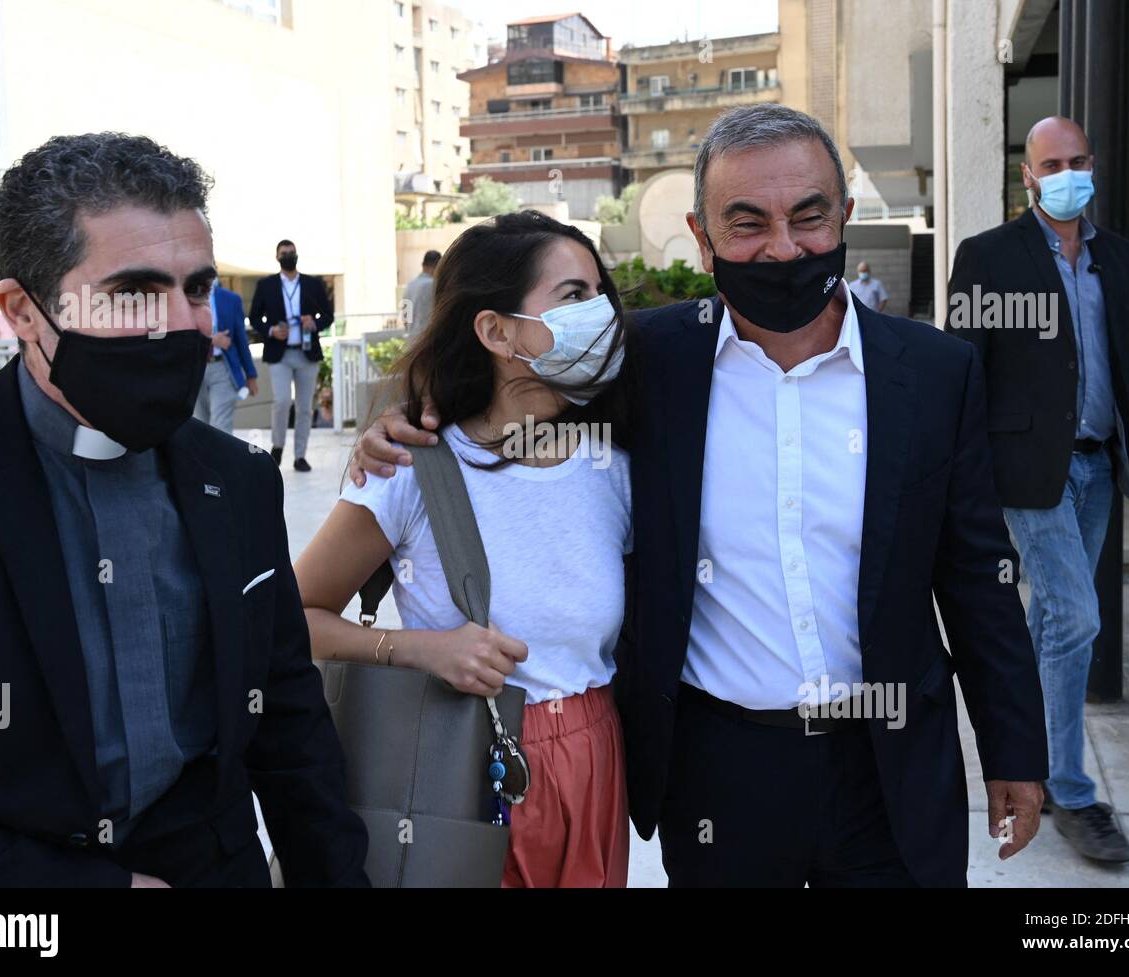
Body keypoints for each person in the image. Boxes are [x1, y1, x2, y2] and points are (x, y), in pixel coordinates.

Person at [352, 104, 1049, 887]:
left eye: (810, 216)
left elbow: (978, 581)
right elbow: (509, 388)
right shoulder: (648, 359)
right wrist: (409, 418)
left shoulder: (934, 372)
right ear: (703, 236)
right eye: (747, 223)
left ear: (846, 215)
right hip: (719, 772)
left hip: (890, 760)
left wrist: (1014, 750)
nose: (783, 247)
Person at [0, 132, 368, 887]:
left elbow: (288, 724)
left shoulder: (239, 479)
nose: (187, 326)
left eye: (196, 289)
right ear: (24, 310)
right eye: (135, 293)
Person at [297, 210, 635, 888]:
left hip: (596, 757)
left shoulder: (616, 465)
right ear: (494, 330)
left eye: (601, 294)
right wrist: (420, 649)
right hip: (468, 759)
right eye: (572, 297)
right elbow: (290, 614)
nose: (598, 313)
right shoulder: (411, 468)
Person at [947, 116, 1129, 864]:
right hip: (1028, 474)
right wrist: (954, 476)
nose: (1067, 172)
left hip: (1098, 464)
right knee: (1077, 616)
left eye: (1078, 159)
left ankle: (1020, 752)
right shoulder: (988, 256)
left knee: (1053, 628)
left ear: (1093, 164)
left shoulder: (1117, 258)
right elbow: (963, 368)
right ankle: (1070, 787)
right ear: (1027, 175)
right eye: (1051, 162)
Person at [249, 240, 332, 471]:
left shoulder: (312, 283)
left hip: (307, 353)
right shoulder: (266, 285)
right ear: (277, 257)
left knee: (305, 407)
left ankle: (300, 455)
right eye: (284, 253)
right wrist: (271, 330)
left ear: (297, 255)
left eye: (292, 253)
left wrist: (313, 322)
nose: (288, 256)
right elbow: (255, 317)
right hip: (279, 353)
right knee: (282, 401)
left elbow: (328, 314)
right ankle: (277, 446)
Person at [194, 279, 258, 434]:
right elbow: (179, 337)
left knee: (220, 426)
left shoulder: (231, 299)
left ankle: (220, 458)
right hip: (195, 368)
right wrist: (211, 341)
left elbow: (241, 339)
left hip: (223, 367)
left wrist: (250, 374)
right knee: (198, 425)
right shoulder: (184, 296)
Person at [404, 249, 440, 336]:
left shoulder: (410, 285)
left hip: (412, 340)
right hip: (428, 340)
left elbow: (405, 317)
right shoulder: (433, 285)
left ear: (423, 265)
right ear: (438, 266)